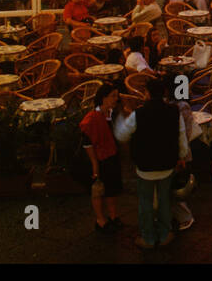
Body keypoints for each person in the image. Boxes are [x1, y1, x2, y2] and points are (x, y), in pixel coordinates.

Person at [114, 79, 189, 249]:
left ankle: (147, 237)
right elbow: (181, 136)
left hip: (145, 165)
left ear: (147, 93)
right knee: (164, 200)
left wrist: (120, 116)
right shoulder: (173, 111)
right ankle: (164, 234)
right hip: (167, 164)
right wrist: (181, 156)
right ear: (164, 93)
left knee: (145, 202)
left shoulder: (138, 114)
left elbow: (121, 135)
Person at [81, 84, 124, 233]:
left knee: (112, 188)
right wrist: (94, 163)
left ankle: (113, 216)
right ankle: (100, 220)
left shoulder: (112, 114)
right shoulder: (93, 117)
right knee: (98, 190)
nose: (115, 99)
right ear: (103, 98)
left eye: (116, 96)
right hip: (100, 159)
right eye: (112, 96)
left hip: (112, 157)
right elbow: (86, 142)